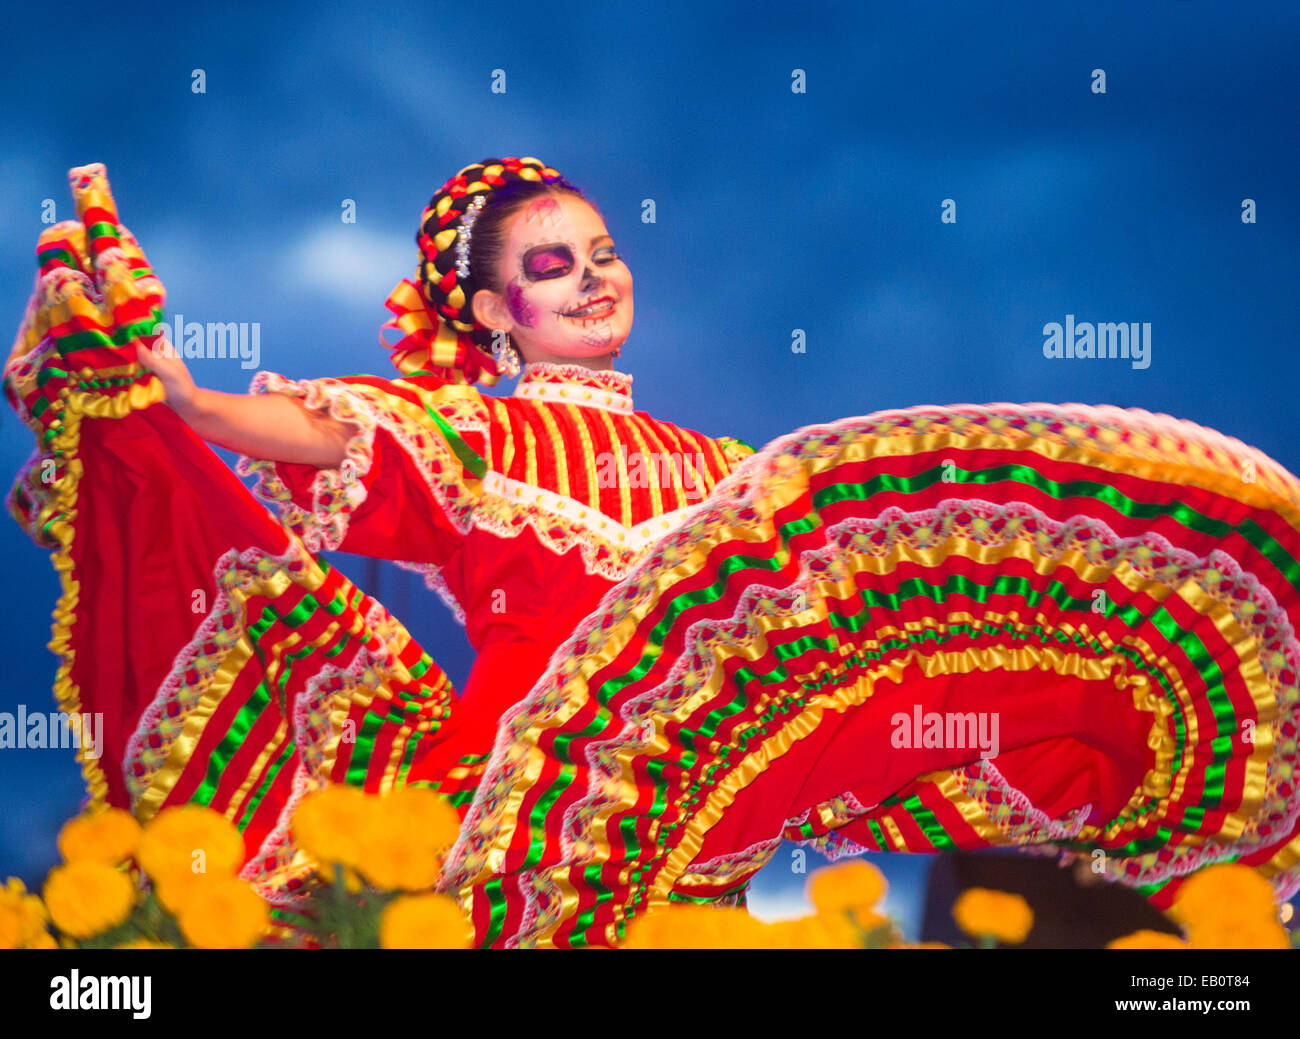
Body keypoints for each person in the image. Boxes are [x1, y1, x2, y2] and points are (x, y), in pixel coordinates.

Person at [8, 158, 1300, 948]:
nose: (592, 279)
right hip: (516, 840)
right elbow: (310, 431)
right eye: (552, 265)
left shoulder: (738, 477)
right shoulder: (461, 432)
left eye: (606, 255)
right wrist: (178, 392)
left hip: (697, 870)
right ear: (486, 309)